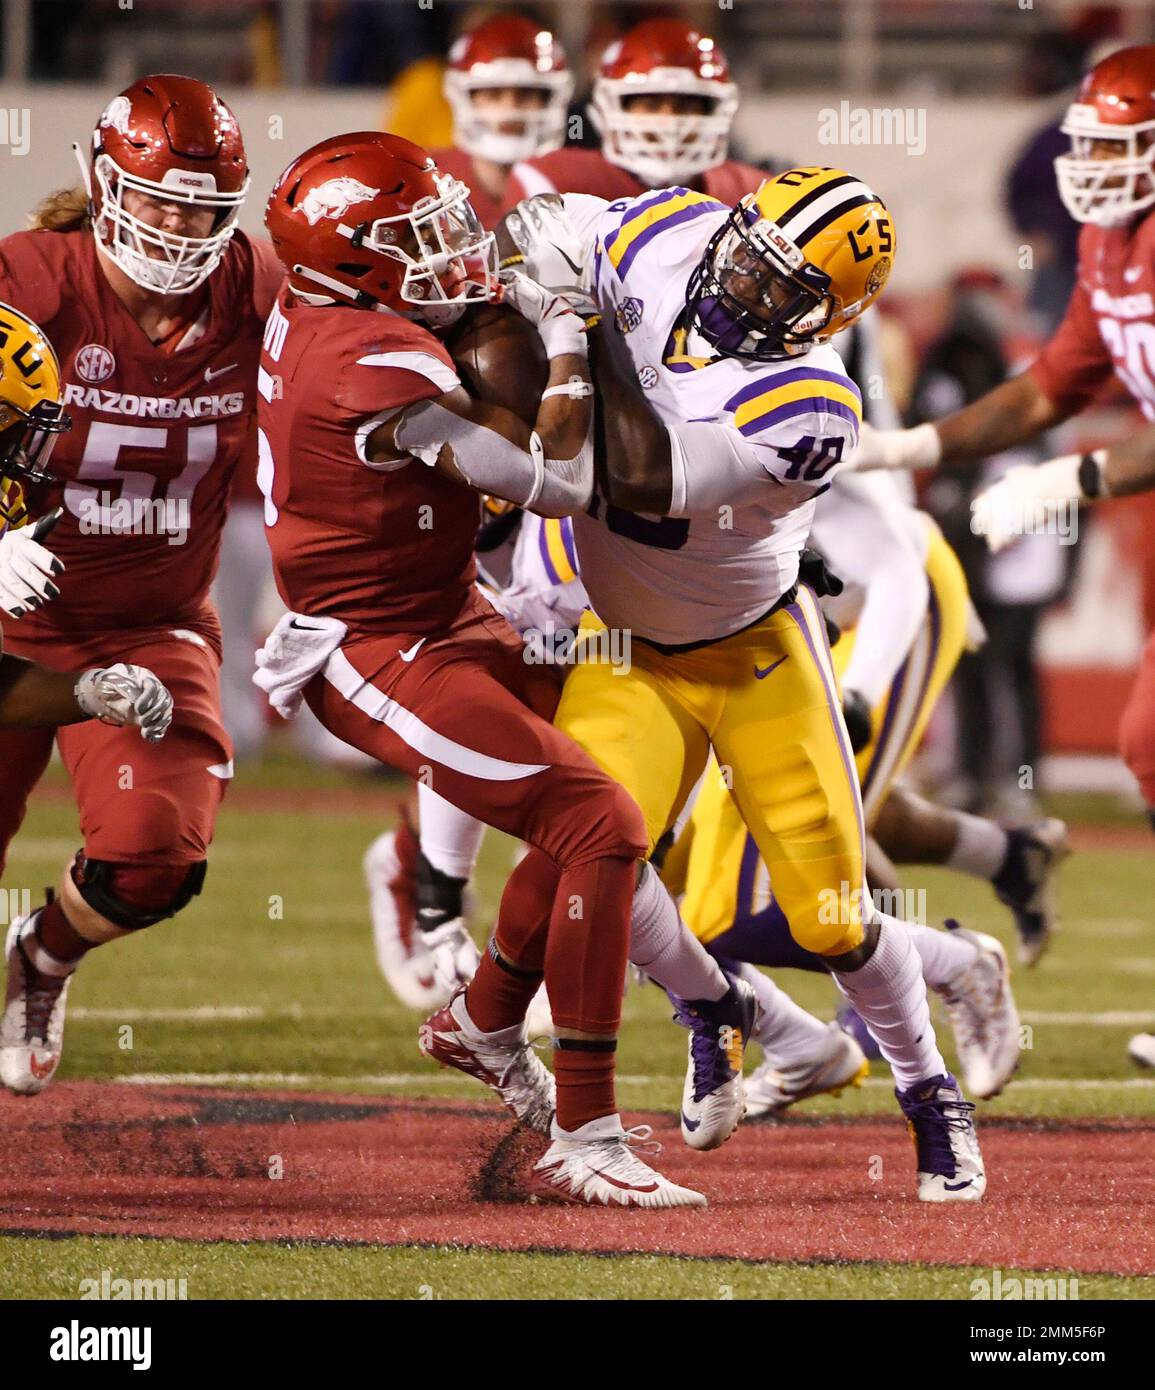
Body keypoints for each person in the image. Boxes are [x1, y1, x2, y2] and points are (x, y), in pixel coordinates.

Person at [256, 129, 758, 1207]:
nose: (449, 253)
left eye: (445, 225)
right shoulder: (373, 359)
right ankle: (584, 1127)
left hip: (444, 614)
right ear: (346, 263)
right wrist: (566, 331)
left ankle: (484, 1019)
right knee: (602, 821)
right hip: (376, 649)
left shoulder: (331, 313)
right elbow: (560, 485)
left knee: (605, 804)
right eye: (415, 240)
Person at [505, 166, 986, 1201]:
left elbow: (638, 473)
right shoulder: (662, 229)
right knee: (596, 857)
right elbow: (538, 230)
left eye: (785, 292)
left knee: (832, 919)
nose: (746, 293)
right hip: (624, 648)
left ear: (830, 319)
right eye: (749, 260)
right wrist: (531, 260)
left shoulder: (812, 403)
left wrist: (567, 316)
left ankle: (929, 1089)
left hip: (756, 650)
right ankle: (732, 1009)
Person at [841, 44, 1155, 1065]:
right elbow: (1047, 387)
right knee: (1148, 743)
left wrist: (1074, 481)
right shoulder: (1108, 247)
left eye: (1124, 147)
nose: (1098, 167)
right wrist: (919, 444)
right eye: (1091, 145)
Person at [0, 74, 283, 1096]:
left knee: (153, 859)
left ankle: (43, 954)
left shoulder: (259, 290)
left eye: (200, 207)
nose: (174, 224)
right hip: (3, 623)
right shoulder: (29, 280)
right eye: (157, 197)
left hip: (150, 625)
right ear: (102, 181)